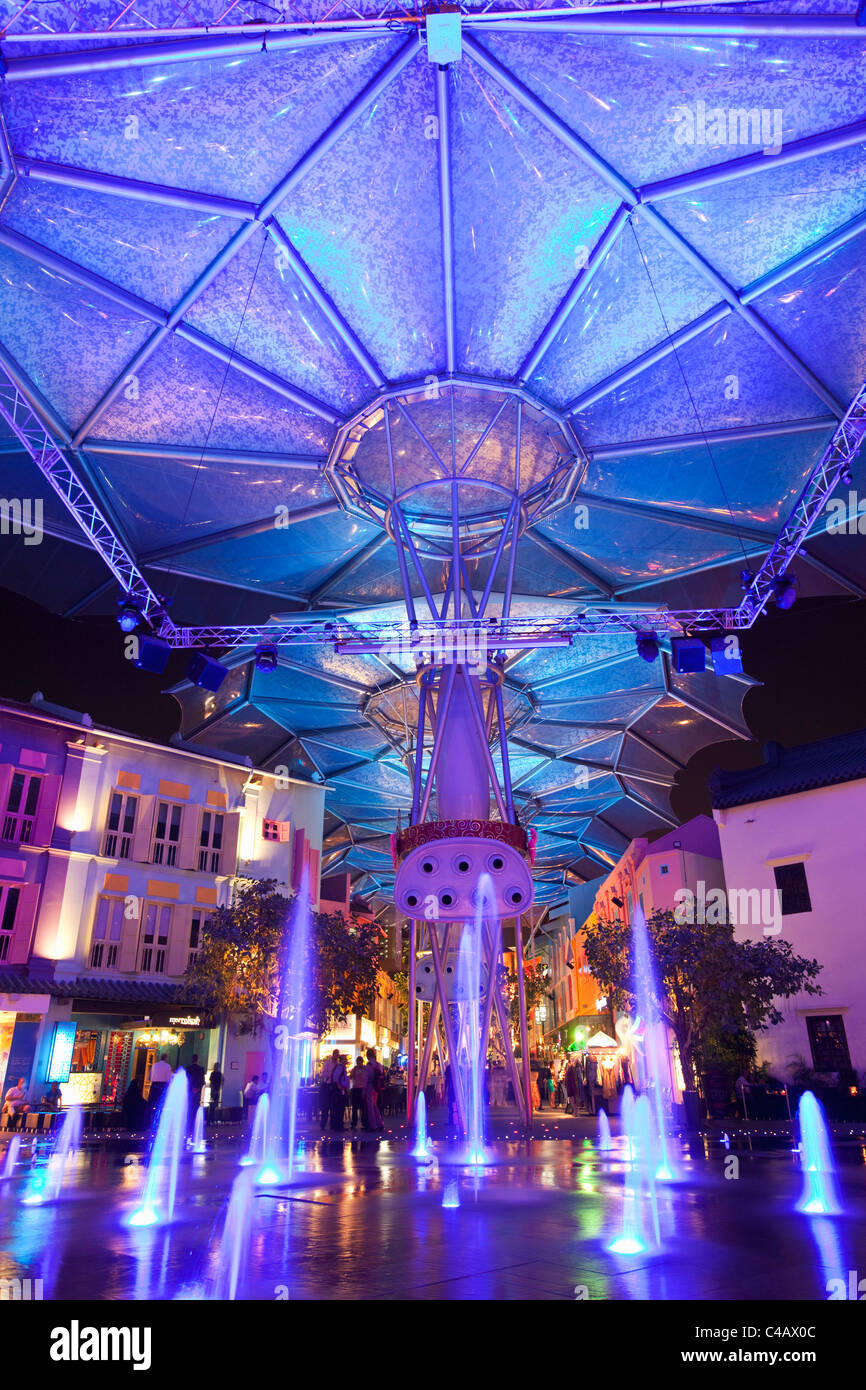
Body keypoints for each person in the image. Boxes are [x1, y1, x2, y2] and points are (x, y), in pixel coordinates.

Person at [364, 1047, 386, 1131]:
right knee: (375, 1105)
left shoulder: (367, 1066)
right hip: (377, 1087)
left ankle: (373, 1125)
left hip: (370, 1086)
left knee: (370, 1107)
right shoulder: (379, 1065)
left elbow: (366, 1079)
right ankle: (380, 1123)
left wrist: (364, 1090)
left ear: (367, 1056)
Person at [319, 1049, 341, 1128]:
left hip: (335, 1087)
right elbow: (323, 1074)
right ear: (333, 1055)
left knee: (333, 1106)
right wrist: (331, 1074)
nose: (336, 1056)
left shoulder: (338, 1065)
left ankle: (332, 1124)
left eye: (337, 1055)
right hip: (328, 1086)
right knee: (326, 1106)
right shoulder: (327, 1063)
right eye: (336, 1054)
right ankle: (323, 1124)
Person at [329, 1055, 350, 1132]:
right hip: (339, 1090)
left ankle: (337, 1125)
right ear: (341, 1060)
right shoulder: (340, 1067)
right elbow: (336, 1078)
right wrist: (340, 1087)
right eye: (344, 1059)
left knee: (338, 1108)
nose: (346, 1060)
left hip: (339, 1089)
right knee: (339, 1108)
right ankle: (338, 1125)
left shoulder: (340, 1067)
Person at [185, 1053, 206, 1127]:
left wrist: (191, 1088)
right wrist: (198, 1088)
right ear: (197, 1059)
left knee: (190, 1105)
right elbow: (202, 1081)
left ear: (192, 1059)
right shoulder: (201, 1069)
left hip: (190, 1090)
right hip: (197, 1090)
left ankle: (189, 1121)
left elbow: (187, 1080)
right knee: (196, 1106)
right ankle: (195, 1121)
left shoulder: (188, 1069)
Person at [348, 1056, 367, 1129]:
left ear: (362, 1062)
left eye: (360, 1062)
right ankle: (354, 1123)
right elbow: (351, 1077)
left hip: (362, 1089)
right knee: (355, 1107)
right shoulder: (355, 1069)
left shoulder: (365, 1069)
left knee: (363, 1107)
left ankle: (364, 1122)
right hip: (355, 1089)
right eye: (357, 1062)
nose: (359, 1063)